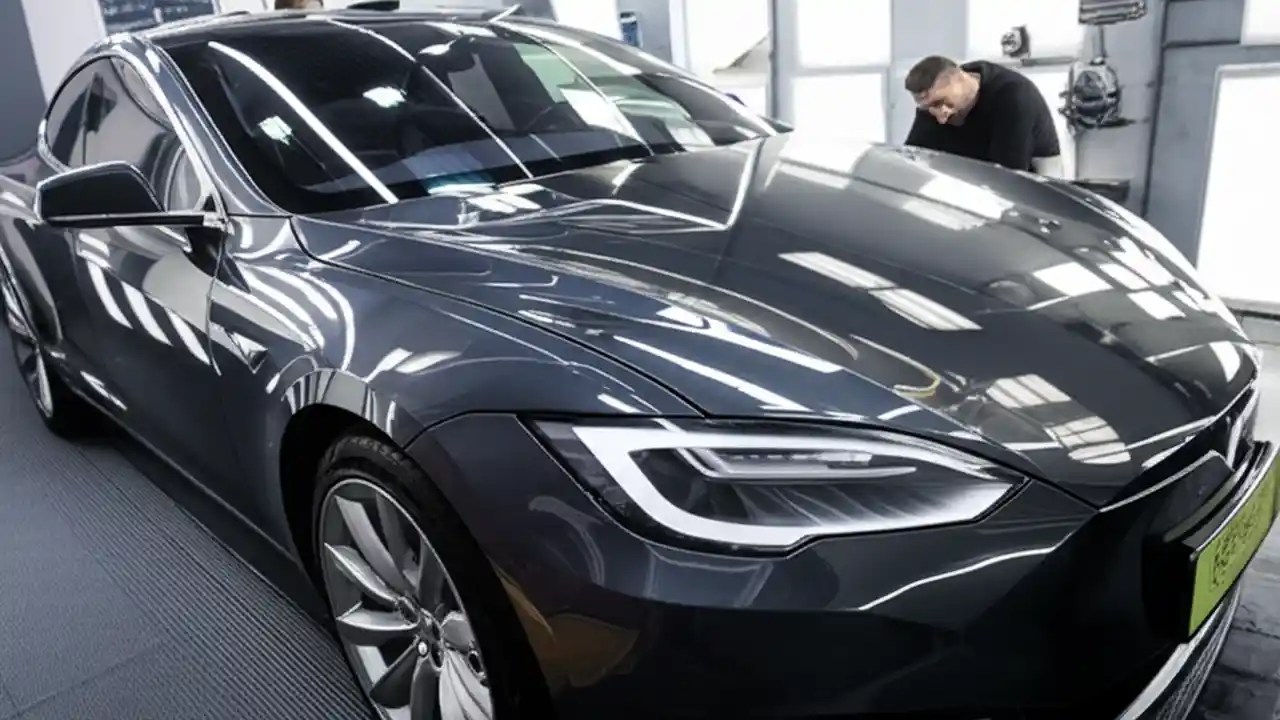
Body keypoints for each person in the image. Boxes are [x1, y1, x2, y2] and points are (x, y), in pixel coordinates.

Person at [903, 55, 1063, 177]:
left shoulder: (1014, 96)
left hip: (1035, 178)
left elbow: (1010, 178)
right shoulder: (933, 102)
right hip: (977, 173)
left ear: (960, 78)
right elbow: (911, 160)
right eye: (928, 108)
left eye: (941, 103)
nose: (940, 117)